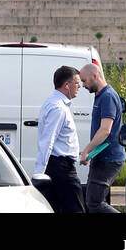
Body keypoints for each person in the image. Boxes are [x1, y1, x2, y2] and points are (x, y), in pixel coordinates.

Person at [34, 65, 86, 213]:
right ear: (66, 85)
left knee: (55, 208)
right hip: (61, 167)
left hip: (58, 165)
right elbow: (48, 140)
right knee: (75, 209)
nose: (79, 86)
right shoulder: (58, 108)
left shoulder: (53, 103)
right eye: (76, 83)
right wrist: (39, 173)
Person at [79, 62, 125, 214]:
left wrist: (86, 150)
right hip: (102, 157)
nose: (83, 85)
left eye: (84, 81)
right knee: (94, 201)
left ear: (94, 76)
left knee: (95, 203)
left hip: (109, 159)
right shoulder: (101, 96)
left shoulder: (108, 96)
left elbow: (105, 130)